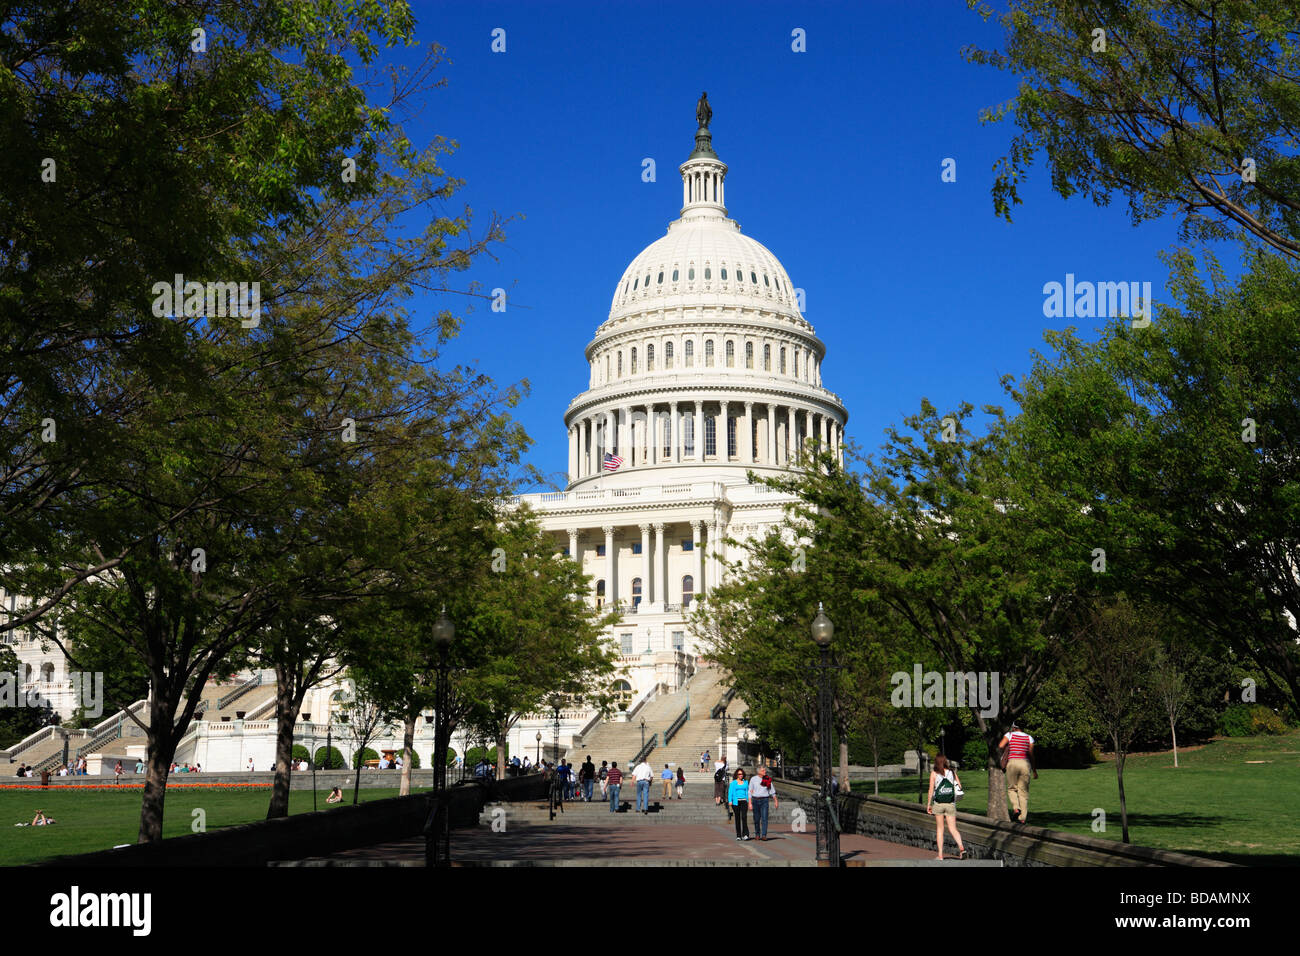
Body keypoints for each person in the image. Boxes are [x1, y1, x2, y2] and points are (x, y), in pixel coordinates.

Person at [926, 753, 966, 859]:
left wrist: (928, 804)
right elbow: (959, 787)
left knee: (940, 829)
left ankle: (940, 855)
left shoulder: (934, 773)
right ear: (945, 761)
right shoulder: (952, 772)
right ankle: (962, 849)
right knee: (953, 828)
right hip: (950, 804)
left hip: (938, 804)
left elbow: (930, 790)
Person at [998, 720, 1038, 822]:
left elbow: (1001, 746)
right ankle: (1022, 819)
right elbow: (1031, 755)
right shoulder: (1029, 738)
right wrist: (1034, 770)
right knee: (1023, 792)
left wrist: (1008, 749)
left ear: (1014, 727)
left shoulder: (1010, 734)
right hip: (1025, 764)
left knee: (1012, 788)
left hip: (1013, 763)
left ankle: (1016, 808)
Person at [748, 765, 779, 840]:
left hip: (764, 800)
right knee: (756, 819)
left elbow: (772, 791)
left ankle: (764, 835)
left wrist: (776, 801)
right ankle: (757, 834)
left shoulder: (767, 779)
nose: (765, 772)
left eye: (765, 770)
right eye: (763, 770)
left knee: (764, 818)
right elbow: (750, 791)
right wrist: (749, 803)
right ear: (758, 772)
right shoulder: (753, 779)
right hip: (755, 800)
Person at [728, 768, 751, 840]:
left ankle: (745, 834)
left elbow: (748, 791)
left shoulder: (746, 782)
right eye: (739, 774)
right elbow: (730, 792)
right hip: (736, 802)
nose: (740, 775)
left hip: (744, 801)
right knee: (737, 818)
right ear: (737, 775)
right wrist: (730, 801)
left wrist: (749, 801)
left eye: (742, 774)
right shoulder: (733, 783)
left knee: (744, 817)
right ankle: (738, 835)